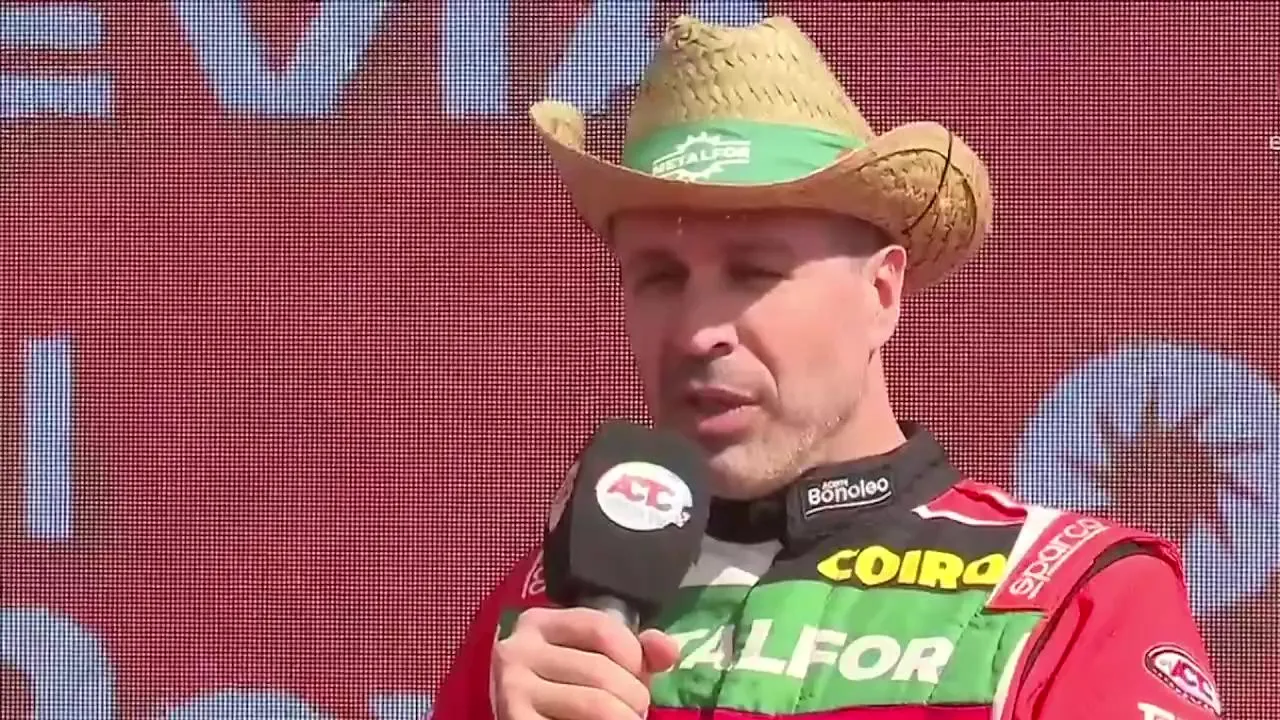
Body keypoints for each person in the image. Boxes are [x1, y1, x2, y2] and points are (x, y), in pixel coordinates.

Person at [432, 14, 1222, 720]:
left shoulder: (1073, 597)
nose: (699, 332)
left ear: (882, 293)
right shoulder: (548, 618)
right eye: (660, 277)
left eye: (754, 273)